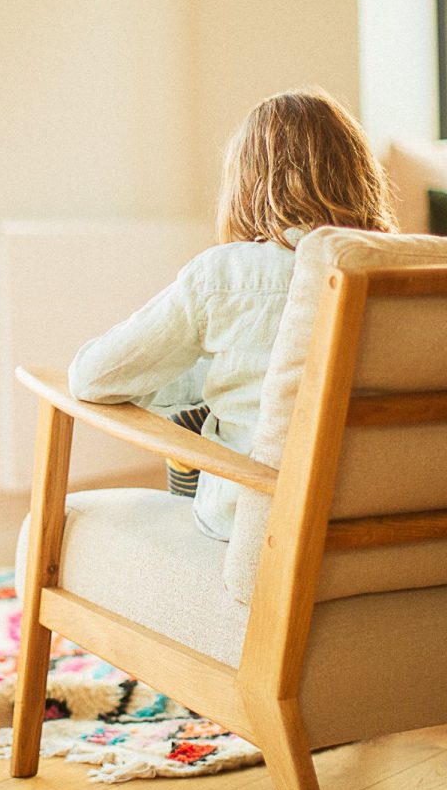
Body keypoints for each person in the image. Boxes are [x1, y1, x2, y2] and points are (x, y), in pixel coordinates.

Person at [67, 87, 397, 537]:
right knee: (219, 381)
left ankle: (194, 412)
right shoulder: (406, 269)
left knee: (190, 388)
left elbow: (92, 378)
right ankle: (198, 403)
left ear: (249, 183)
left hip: (258, 526)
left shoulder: (228, 276)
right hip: (381, 522)